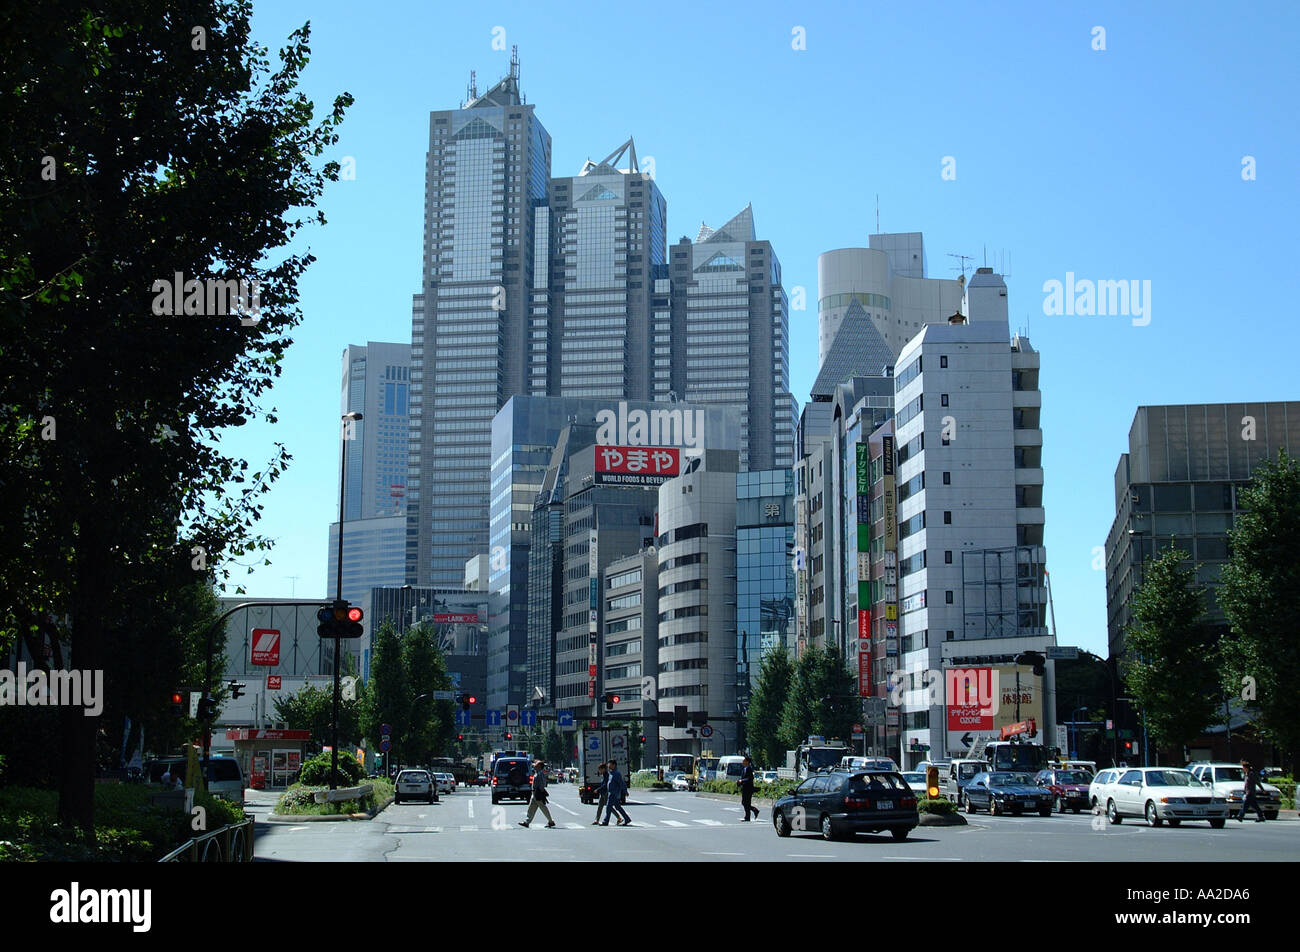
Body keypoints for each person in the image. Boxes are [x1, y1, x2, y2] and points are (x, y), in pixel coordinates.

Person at [519, 759, 556, 828]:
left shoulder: (540, 774)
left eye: (536, 765)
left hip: (537, 793)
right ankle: (527, 822)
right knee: (531, 808)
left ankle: (550, 821)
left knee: (543, 808)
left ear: (539, 766)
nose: (534, 766)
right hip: (535, 793)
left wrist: (540, 792)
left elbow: (542, 784)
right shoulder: (537, 773)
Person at [602, 759, 631, 825]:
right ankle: (627, 819)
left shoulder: (616, 774)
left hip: (614, 793)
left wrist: (625, 791)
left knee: (608, 807)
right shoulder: (611, 773)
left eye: (610, 764)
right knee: (617, 807)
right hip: (611, 793)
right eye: (608, 764)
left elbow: (621, 783)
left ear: (614, 765)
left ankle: (606, 821)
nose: (608, 765)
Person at [739, 756, 760, 821]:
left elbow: (750, 778)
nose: (743, 762)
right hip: (744, 788)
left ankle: (747, 817)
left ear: (747, 762)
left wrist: (742, 781)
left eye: (744, 760)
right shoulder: (744, 769)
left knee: (746, 803)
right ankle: (754, 811)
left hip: (749, 789)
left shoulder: (749, 769)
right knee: (744, 803)